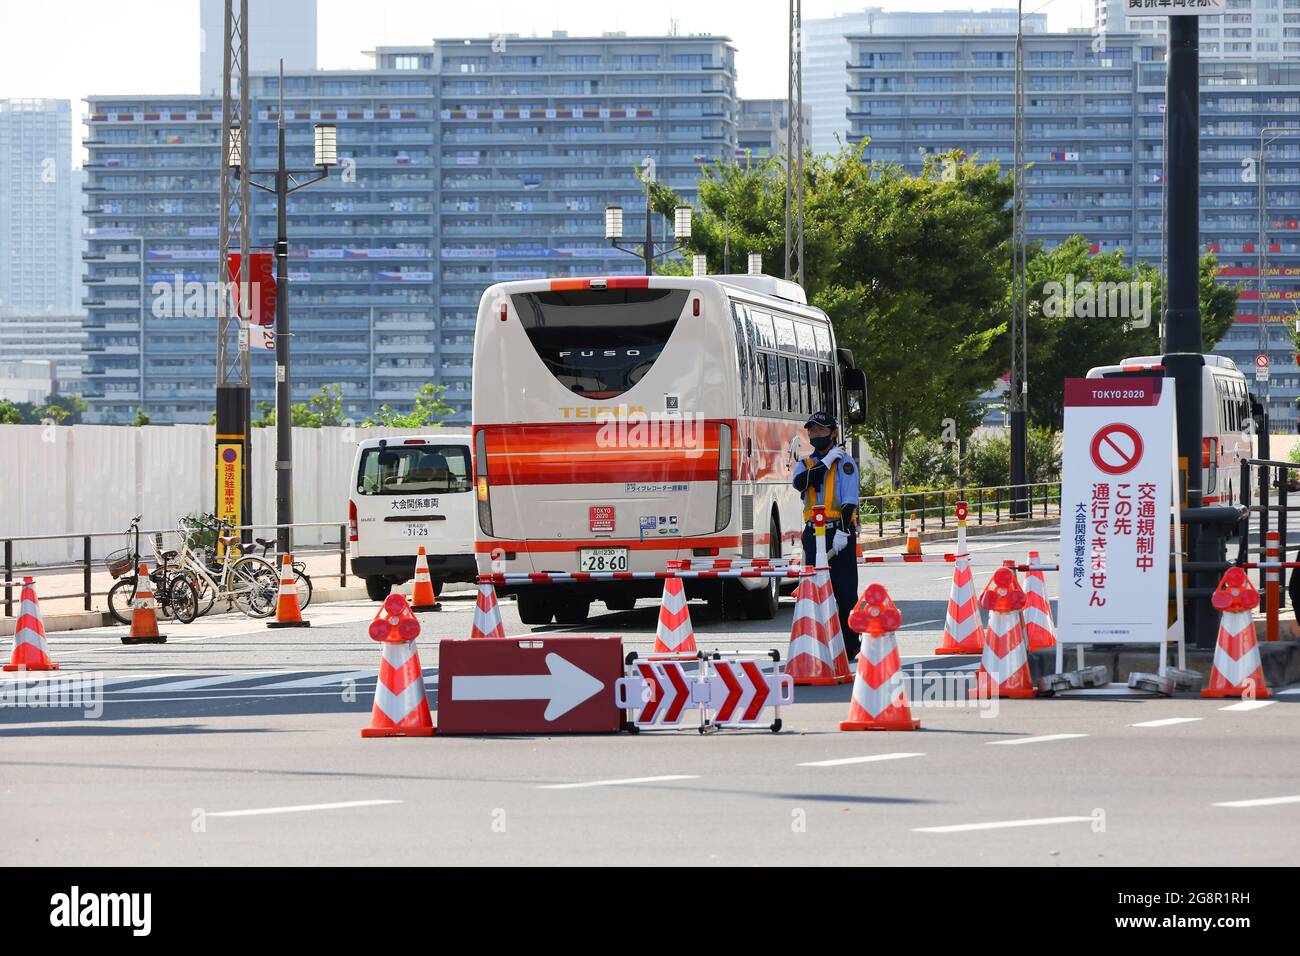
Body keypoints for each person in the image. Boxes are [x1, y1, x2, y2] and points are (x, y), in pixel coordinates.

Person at [791, 411, 861, 658]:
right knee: (815, 592)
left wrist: (843, 531)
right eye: (812, 431)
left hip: (838, 533)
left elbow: (850, 501)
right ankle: (818, 645)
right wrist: (826, 461)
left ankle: (850, 645)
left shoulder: (846, 463)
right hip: (813, 535)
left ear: (833, 433)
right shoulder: (805, 464)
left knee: (845, 592)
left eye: (822, 431)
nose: (816, 435)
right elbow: (801, 483)